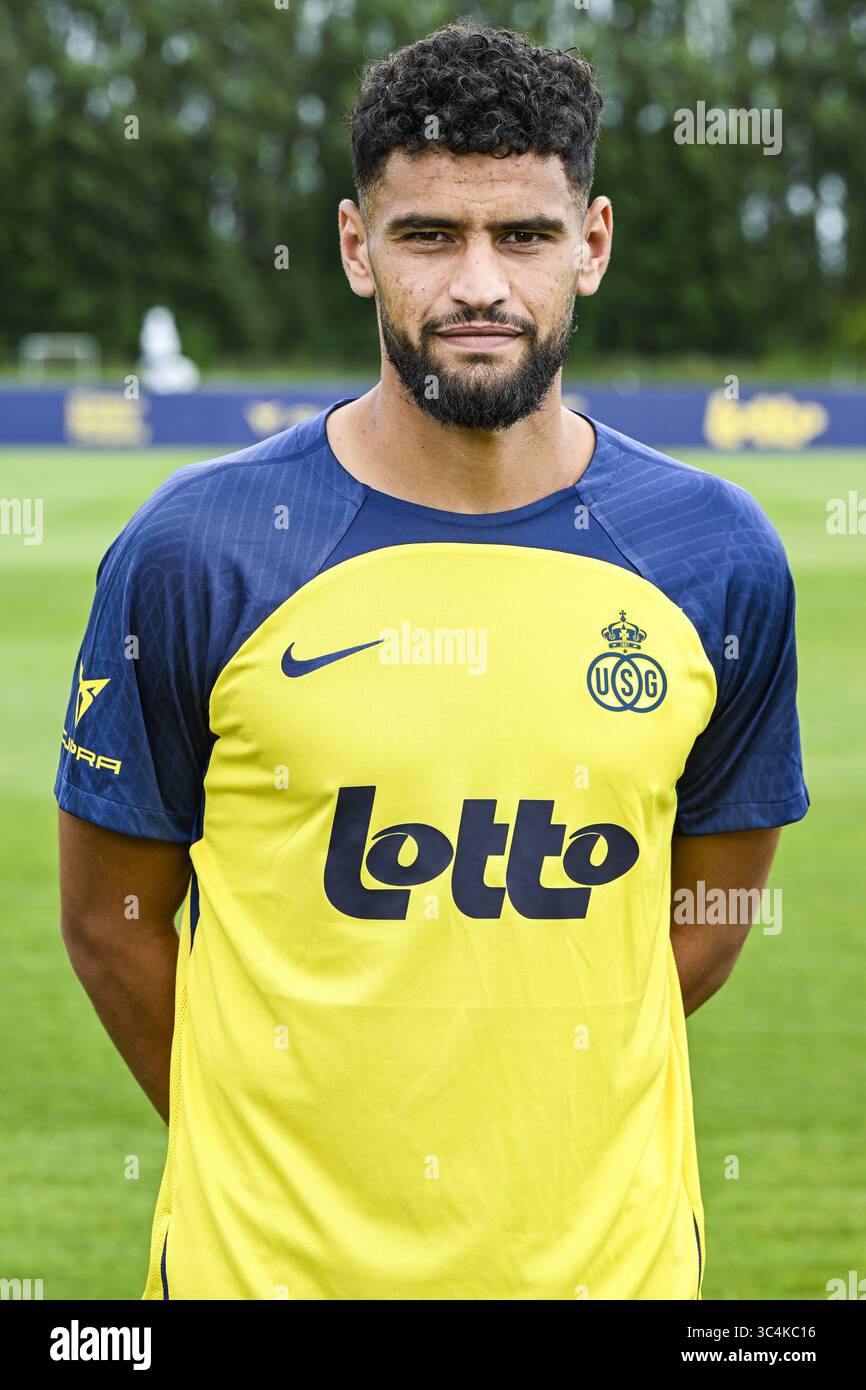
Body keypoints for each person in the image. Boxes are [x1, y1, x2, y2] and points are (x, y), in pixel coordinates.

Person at [56, 22, 809, 1300]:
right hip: (268, 1277)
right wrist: (288, 1128)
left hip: (603, 1275)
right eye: (427, 236)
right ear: (357, 247)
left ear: (593, 242)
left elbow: (706, 913)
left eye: (522, 234)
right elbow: (110, 919)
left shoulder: (713, 556)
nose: (479, 284)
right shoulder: (197, 549)